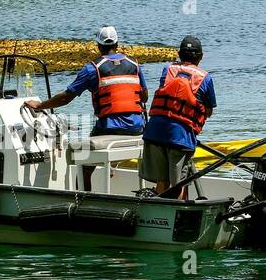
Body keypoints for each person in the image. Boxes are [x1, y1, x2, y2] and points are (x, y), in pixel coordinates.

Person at [26, 26, 147, 190]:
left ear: (98, 46)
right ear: (117, 44)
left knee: (83, 164)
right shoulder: (135, 65)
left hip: (110, 129)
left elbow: (66, 97)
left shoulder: (92, 69)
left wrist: (40, 105)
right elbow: (144, 97)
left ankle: (83, 202)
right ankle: (110, 172)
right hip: (137, 129)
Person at [141, 36, 216, 198]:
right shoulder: (205, 78)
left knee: (162, 181)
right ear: (201, 56)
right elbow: (208, 111)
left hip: (154, 133)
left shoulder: (167, 70)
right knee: (179, 185)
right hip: (180, 138)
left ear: (178, 54)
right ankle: (179, 219)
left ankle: (159, 216)